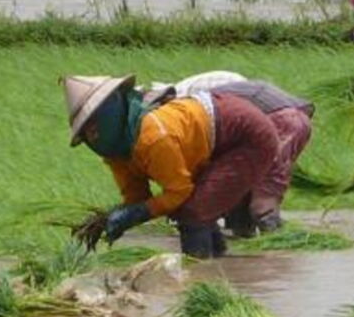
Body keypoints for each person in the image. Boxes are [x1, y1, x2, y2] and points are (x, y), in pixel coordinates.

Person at [65, 74, 278, 258]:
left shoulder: (154, 137)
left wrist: (139, 213)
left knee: (193, 212)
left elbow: (179, 192)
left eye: (94, 129)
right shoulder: (117, 153)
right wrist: (118, 217)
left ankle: (198, 278)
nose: (92, 137)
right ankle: (217, 267)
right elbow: (137, 197)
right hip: (212, 142)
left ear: (111, 115)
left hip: (247, 136)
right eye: (87, 134)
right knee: (200, 207)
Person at [146, 74, 315, 237]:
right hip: (290, 120)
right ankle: (249, 230)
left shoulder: (191, 110)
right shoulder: (200, 106)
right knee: (247, 176)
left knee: (264, 191)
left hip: (279, 120)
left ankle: (275, 239)